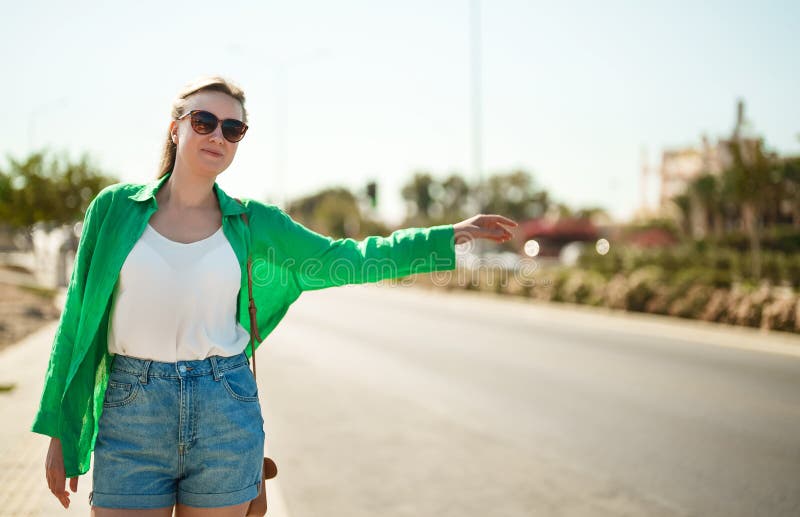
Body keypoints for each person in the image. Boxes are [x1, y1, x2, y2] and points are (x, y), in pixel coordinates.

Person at [31, 75, 518, 516]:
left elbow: (345, 258)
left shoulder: (253, 222)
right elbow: (76, 321)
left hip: (223, 404)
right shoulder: (114, 209)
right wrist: (61, 432)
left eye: (232, 129)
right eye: (204, 121)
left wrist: (446, 236)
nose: (217, 135)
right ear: (176, 129)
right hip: (131, 409)